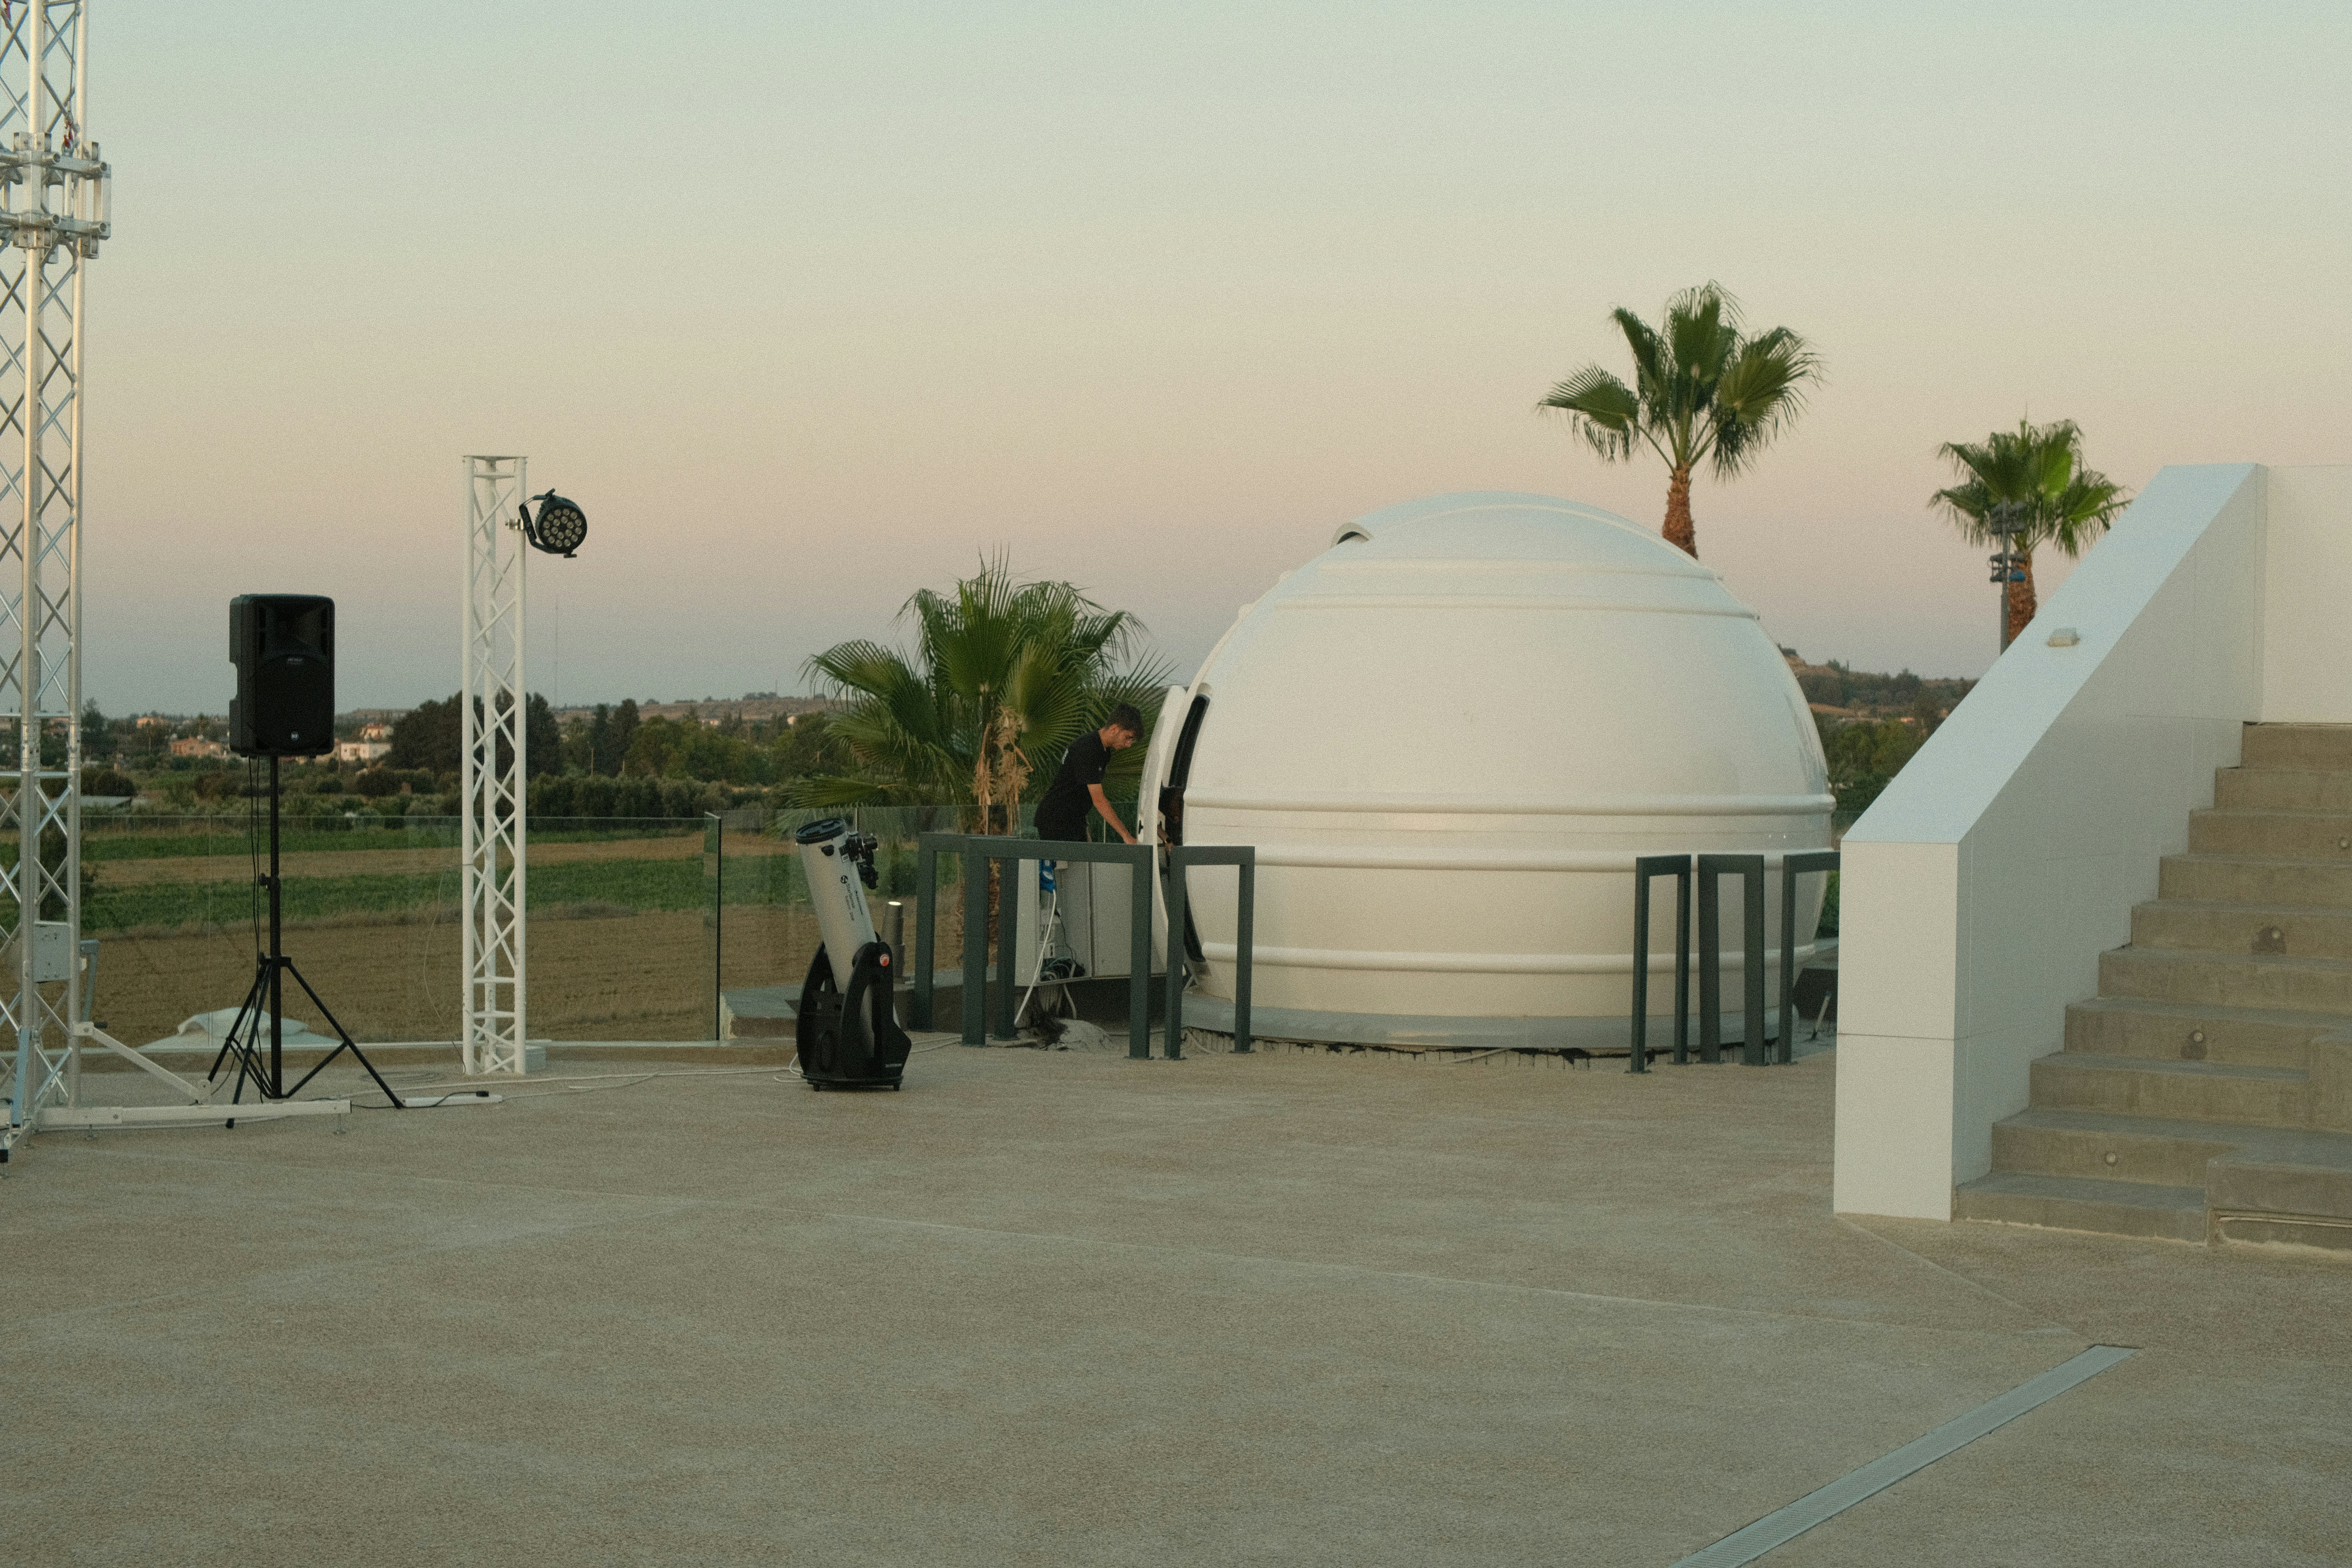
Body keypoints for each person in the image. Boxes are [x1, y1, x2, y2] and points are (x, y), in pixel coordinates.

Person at [1035, 704, 1142, 843]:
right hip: (1055, 819)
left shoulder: (1104, 750)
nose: (1129, 744)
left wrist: (1085, 829)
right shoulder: (1088, 748)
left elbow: (1082, 793)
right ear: (1114, 729)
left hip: (1074, 820)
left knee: (1084, 862)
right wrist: (1126, 836)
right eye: (1128, 737)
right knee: (1066, 864)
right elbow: (1099, 800)